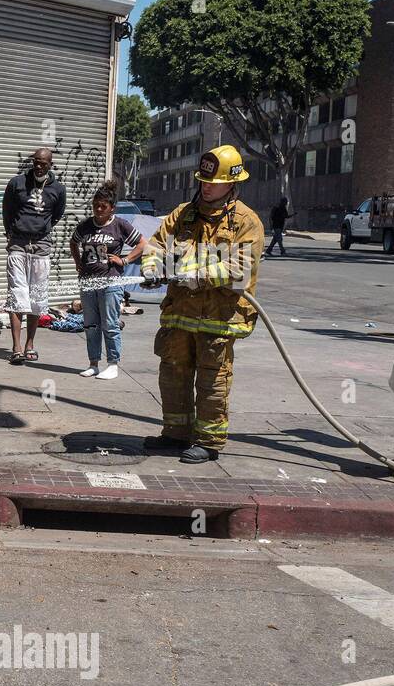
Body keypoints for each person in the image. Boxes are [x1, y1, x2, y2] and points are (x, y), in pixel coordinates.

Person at [140, 145, 263, 464]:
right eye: (203, 180)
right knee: (172, 374)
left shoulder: (246, 222)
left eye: (213, 182)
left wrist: (196, 275)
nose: (205, 186)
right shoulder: (183, 214)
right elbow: (155, 244)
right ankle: (175, 434)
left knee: (213, 379)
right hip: (179, 315)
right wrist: (152, 267)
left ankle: (209, 442)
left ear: (232, 183)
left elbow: (240, 268)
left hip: (218, 319)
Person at [70, 179, 143, 380]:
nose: (99, 209)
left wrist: (124, 260)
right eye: (96, 205)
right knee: (91, 324)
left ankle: (112, 364)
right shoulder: (85, 226)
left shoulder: (120, 225)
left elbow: (141, 244)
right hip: (88, 282)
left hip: (110, 281)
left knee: (109, 323)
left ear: (112, 208)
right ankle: (93, 363)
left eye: (103, 206)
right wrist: (78, 263)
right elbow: (73, 242)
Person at [1, 148, 66, 366]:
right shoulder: (17, 183)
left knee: (37, 297)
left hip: (41, 245)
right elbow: (7, 210)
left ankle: (30, 344)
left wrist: (41, 228)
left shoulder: (58, 189)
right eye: (36, 162)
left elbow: (56, 215)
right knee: (17, 294)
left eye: (43, 163)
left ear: (50, 164)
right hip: (18, 244)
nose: (39, 166)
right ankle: (16, 347)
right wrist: (12, 232)